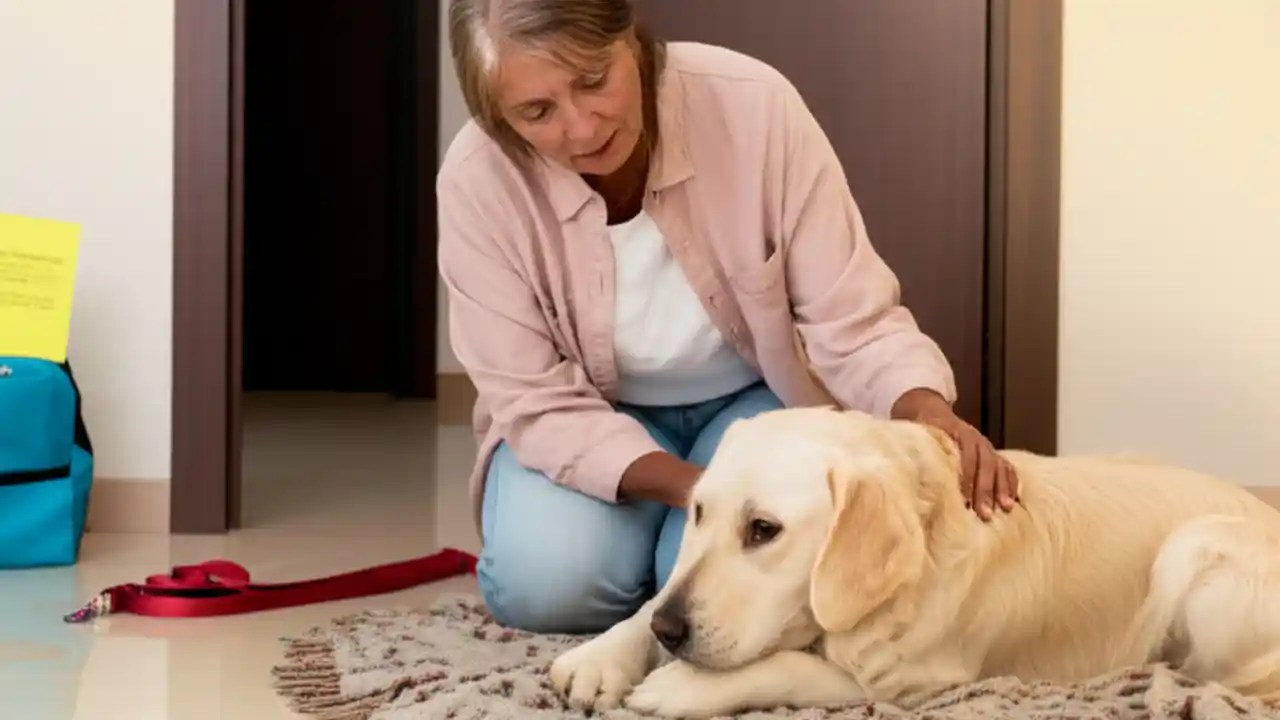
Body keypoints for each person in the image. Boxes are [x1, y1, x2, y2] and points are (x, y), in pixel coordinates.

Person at [437, 0, 1018, 634]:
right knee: (551, 590)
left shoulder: (754, 105)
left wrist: (930, 418)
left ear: (629, 39)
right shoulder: (477, 179)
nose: (580, 128)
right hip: (586, 414)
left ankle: (652, 555)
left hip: (758, 402)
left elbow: (851, 319)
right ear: (500, 118)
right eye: (537, 112)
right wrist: (699, 491)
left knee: (719, 586)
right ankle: (635, 541)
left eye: (593, 80)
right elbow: (533, 400)